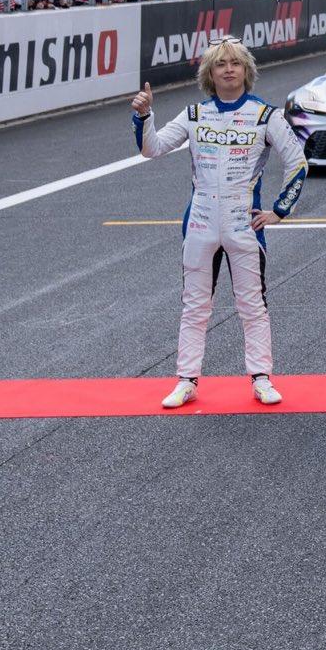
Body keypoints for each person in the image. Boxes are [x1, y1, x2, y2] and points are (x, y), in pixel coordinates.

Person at [130, 38, 307, 410]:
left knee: (252, 304)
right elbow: (153, 148)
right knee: (195, 306)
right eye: (220, 64)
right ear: (209, 73)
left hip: (245, 224)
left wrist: (279, 210)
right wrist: (144, 116)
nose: (228, 69)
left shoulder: (266, 115)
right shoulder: (195, 114)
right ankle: (186, 380)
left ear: (247, 70)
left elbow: (298, 163)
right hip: (200, 224)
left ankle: (261, 378)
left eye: (235, 63)